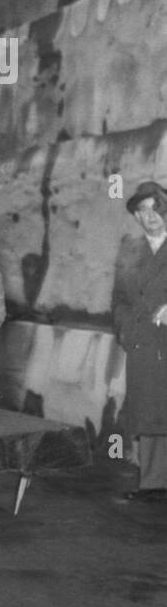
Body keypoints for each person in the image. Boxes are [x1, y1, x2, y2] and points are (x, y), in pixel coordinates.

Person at [111, 180, 167, 499]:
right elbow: (119, 300)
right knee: (149, 414)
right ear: (136, 216)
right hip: (143, 343)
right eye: (143, 210)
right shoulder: (130, 251)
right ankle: (155, 484)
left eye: (156, 207)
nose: (150, 215)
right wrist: (125, 330)